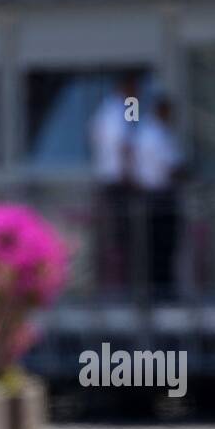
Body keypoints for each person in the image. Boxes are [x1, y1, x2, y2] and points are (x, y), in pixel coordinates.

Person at [132, 97, 185, 300]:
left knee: (156, 247)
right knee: (163, 246)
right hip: (160, 197)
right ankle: (162, 292)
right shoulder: (156, 135)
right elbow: (172, 168)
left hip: (150, 197)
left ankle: (156, 290)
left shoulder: (144, 133)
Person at [89, 72, 138, 290]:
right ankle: (120, 287)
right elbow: (123, 146)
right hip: (117, 183)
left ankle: (118, 285)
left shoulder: (107, 111)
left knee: (117, 236)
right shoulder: (117, 111)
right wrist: (132, 175)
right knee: (121, 237)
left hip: (110, 181)